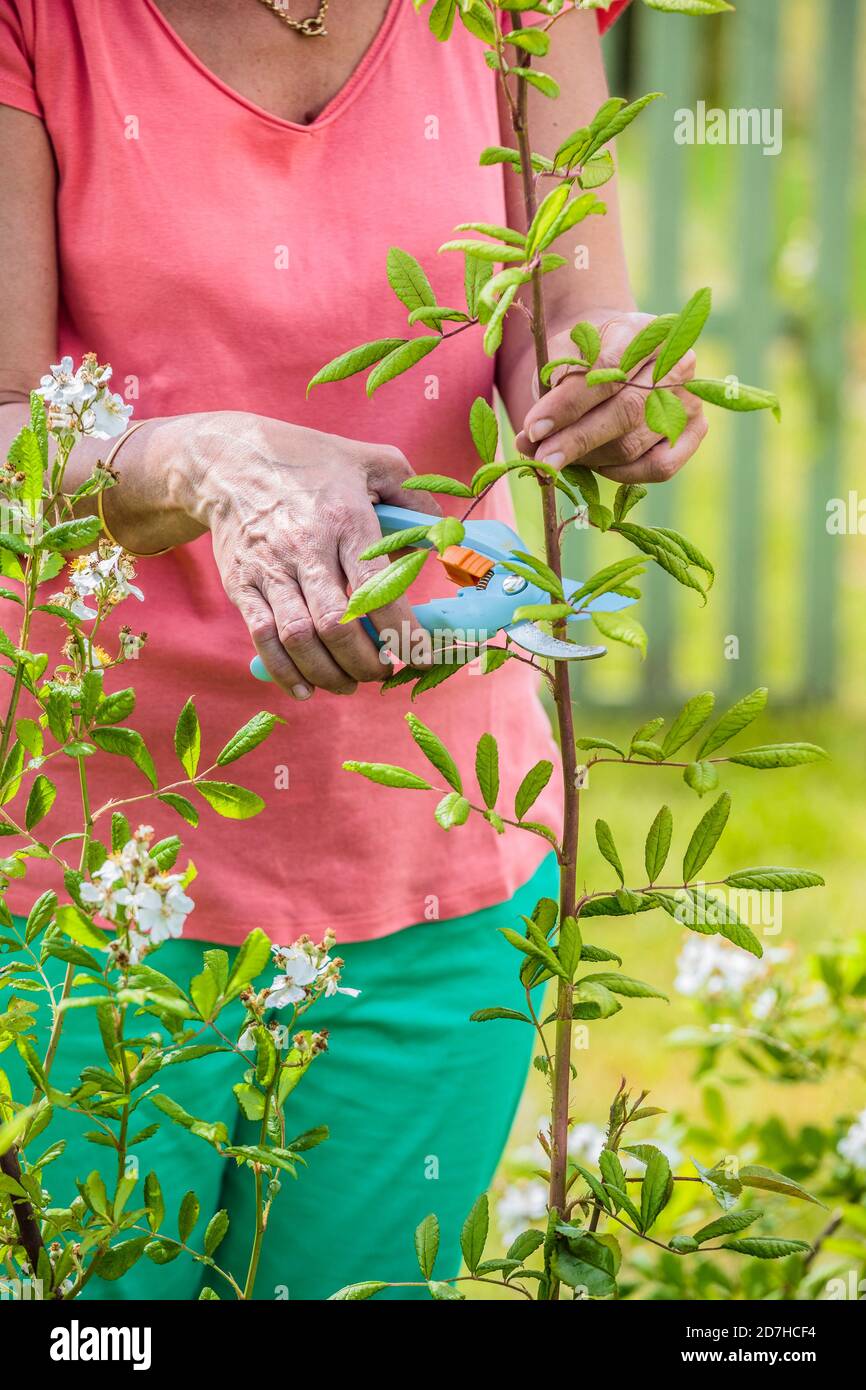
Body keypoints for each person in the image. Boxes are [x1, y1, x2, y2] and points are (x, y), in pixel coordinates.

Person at [0, 0, 706, 1300]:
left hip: (438, 832)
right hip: (81, 867)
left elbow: (566, 313)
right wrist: (207, 460)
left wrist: (614, 380)